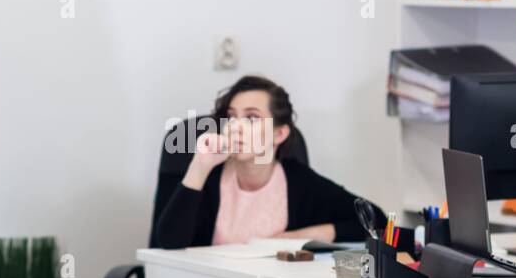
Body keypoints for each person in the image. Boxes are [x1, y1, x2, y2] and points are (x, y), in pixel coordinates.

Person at [153, 75, 383, 249]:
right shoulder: (208, 175)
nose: (236, 126)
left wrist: (300, 236)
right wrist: (200, 167)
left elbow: (376, 221)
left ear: (280, 134)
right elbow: (167, 243)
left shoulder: (299, 182)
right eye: (232, 117)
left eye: (251, 118)